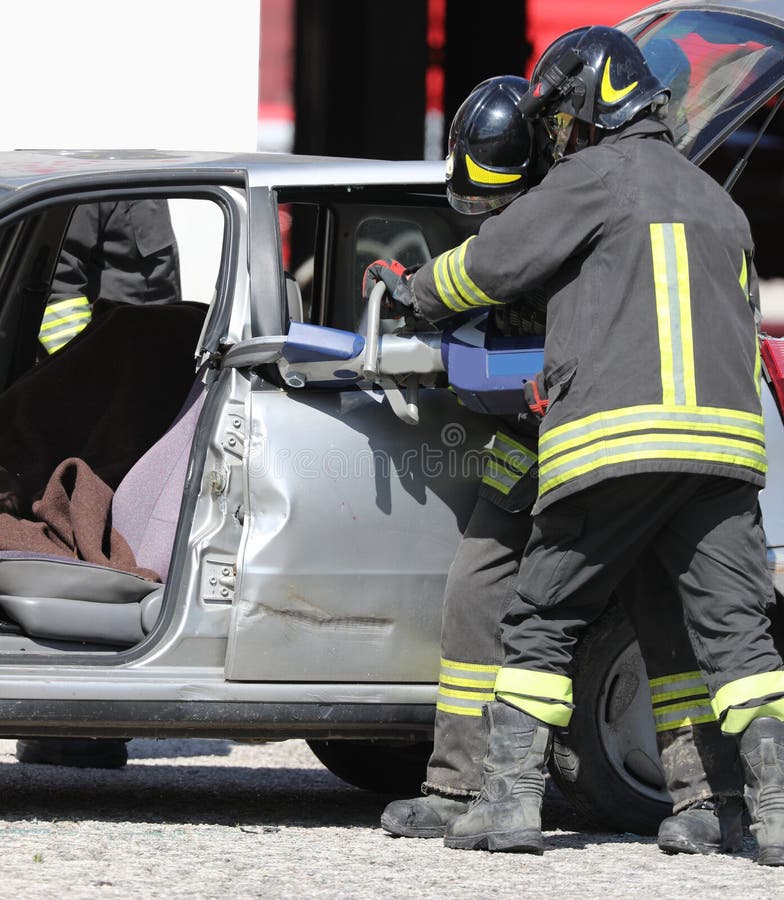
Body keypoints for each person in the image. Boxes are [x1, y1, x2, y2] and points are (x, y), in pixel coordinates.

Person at [370, 26, 784, 866]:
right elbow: (741, 330)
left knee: (540, 617)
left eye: (559, 116)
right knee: (737, 642)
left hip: (611, 441)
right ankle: (760, 817)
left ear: (587, 106)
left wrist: (409, 293)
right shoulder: (719, 202)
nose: (556, 133)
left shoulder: (589, 180)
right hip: (723, 454)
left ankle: (510, 806)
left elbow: (488, 265)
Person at [18, 198, 184, 770]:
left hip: (121, 386)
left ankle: (87, 726)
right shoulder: (99, 185)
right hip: (97, 387)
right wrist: (82, 376)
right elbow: (68, 291)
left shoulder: (130, 187)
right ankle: (76, 727)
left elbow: (146, 292)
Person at [38, 198, 181, 354]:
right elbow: (59, 283)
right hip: (109, 356)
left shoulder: (142, 177)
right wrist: (80, 361)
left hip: (148, 352)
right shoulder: (95, 182)